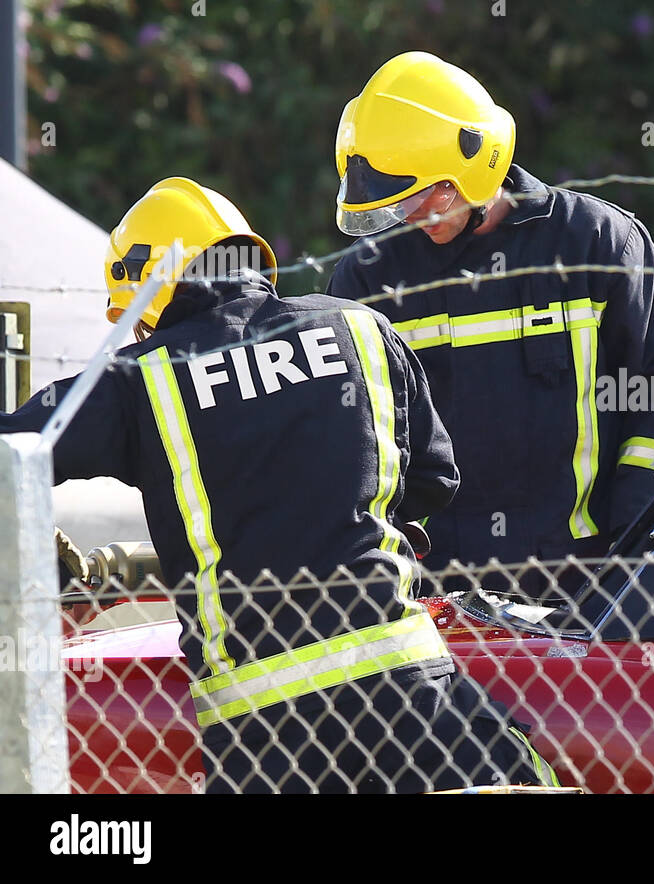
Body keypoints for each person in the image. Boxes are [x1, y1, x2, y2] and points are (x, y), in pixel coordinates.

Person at [1, 177, 555, 792]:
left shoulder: (139, 382)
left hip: (261, 733)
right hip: (408, 692)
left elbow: (11, 451)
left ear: (146, 286)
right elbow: (434, 477)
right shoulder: (361, 329)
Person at [327, 52, 654, 598]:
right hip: (439, 604)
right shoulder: (369, 280)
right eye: (395, 205)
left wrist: (634, 562)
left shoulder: (596, 245)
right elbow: (355, 448)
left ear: (473, 167)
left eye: (420, 197)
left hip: (588, 592)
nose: (409, 217)